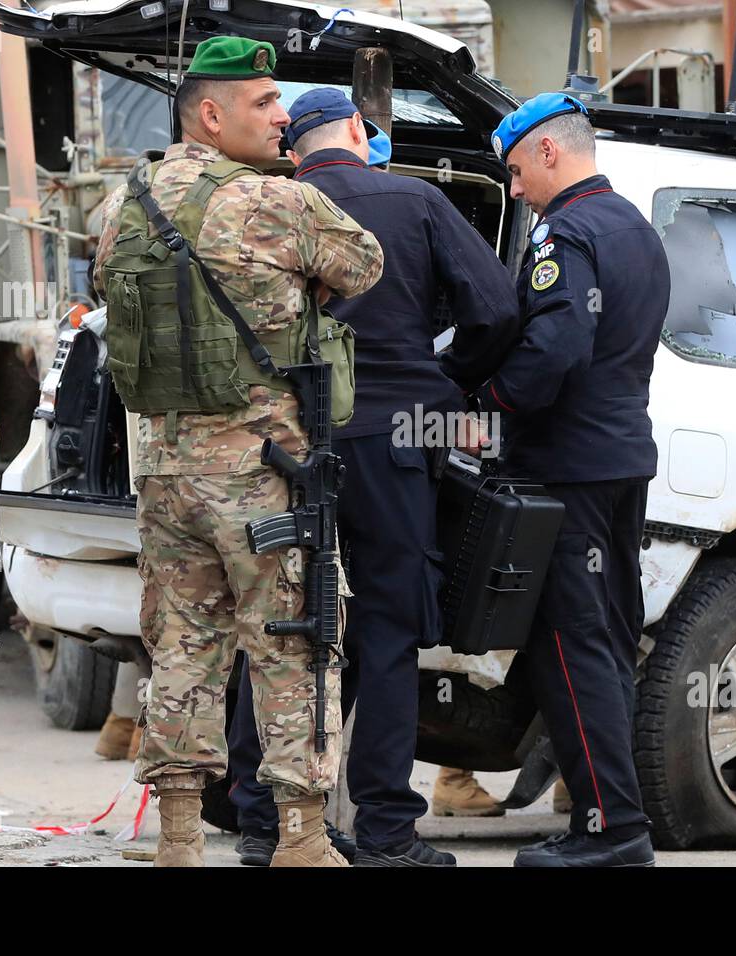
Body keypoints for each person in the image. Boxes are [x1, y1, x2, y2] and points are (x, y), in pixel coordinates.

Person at [93, 39, 384, 868]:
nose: (284, 116)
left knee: (181, 646)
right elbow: (365, 264)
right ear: (211, 116)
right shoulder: (276, 202)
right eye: (264, 103)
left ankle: (179, 837)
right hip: (266, 477)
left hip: (165, 472)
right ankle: (299, 836)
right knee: (293, 640)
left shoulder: (125, 204)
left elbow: (108, 293)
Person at [227, 88, 519, 867]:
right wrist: (437, 376)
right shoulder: (414, 200)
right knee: (386, 635)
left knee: (284, 632)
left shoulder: (262, 206)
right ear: (361, 131)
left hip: (286, 454)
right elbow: (495, 309)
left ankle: (264, 821)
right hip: (394, 446)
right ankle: (388, 832)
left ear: (292, 146)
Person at [475, 92, 670, 867]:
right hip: (621, 463)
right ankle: (606, 821)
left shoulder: (569, 231)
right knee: (608, 642)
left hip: (569, 471)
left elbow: (556, 347)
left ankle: (613, 833)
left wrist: (490, 401)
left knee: (572, 646)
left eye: (518, 172)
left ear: (550, 152)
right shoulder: (636, 228)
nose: (516, 191)